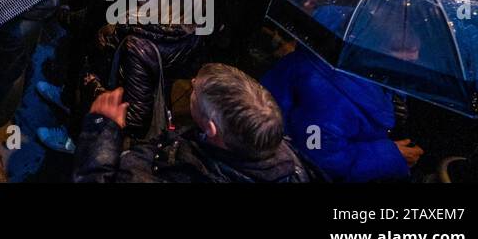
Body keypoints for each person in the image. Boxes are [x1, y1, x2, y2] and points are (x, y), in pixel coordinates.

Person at [74, 64, 312, 183]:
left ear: (211, 128)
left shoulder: (178, 174)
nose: (193, 82)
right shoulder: (289, 162)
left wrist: (102, 132)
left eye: (196, 92)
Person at [263, 45, 417, 182]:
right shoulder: (325, 99)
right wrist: (389, 156)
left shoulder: (344, 46)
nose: (415, 56)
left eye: (415, 44)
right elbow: (316, 155)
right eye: (399, 48)